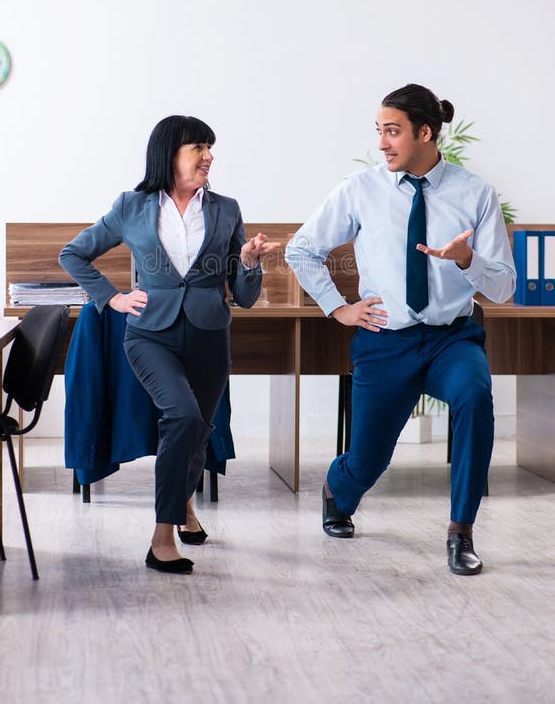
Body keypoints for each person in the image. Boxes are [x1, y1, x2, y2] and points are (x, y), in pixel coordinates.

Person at [285, 84, 516, 576]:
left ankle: (461, 533)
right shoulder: (359, 190)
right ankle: (336, 492)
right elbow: (300, 250)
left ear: (425, 133)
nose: (383, 143)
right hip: (386, 340)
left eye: (392, 132)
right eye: (380, 132)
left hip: (450, 339)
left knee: (475, 397)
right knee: (367, 463)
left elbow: (503, 287)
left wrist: (468, 259)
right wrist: (338, 308)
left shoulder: (475, 194)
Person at [60, 115, 279, 575]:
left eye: (209, 147)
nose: (208, 156)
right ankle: (162, 537)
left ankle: (186, 508)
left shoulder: (226, 208)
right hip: (149, 334)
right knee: (180, 414)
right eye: (198, 147)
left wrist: (248, 261)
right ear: (169, 154)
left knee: (198, 429)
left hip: (208, 335)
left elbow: (243, 294)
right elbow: (73, 253)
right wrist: (113, 298)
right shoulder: (132, 205)